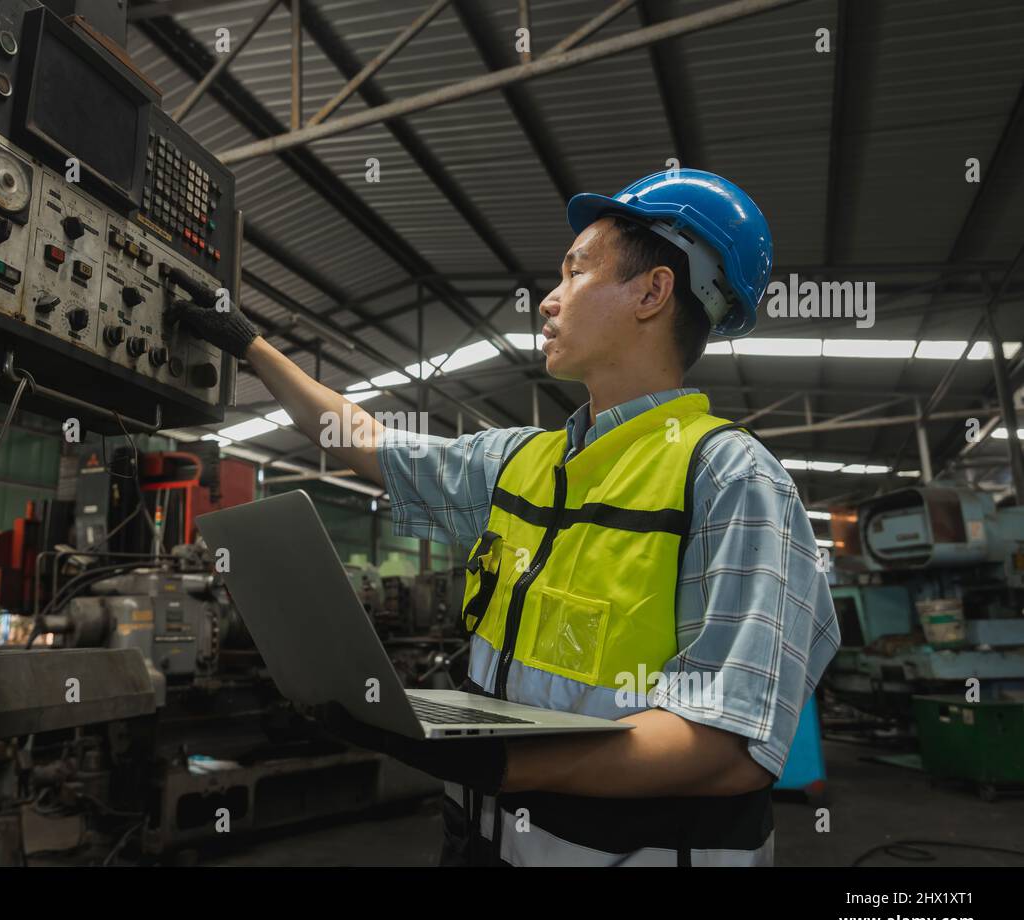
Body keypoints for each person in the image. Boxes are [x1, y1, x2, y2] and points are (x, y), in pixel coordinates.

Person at [169, 169, 841, 866]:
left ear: (653, 292)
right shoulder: (520, 461)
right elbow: (363, 440)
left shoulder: (732, 479)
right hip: (479, 843)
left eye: (575, 271)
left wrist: (498, 763)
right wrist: (247, 343)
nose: (548, 301)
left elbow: (730, 750)